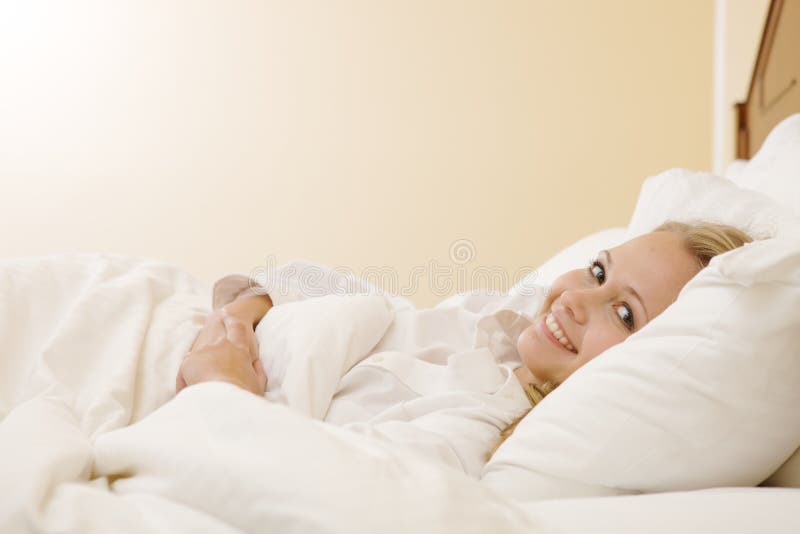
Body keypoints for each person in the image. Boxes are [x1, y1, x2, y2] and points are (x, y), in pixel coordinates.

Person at [176, 220, 752, 474]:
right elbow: (292, 284)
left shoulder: (478, 438)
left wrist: (220, 386)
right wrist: (244, 309)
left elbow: (299, 479)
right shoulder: (491, 318)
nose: (577, 298)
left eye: (625, 313)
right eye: (598, 270)